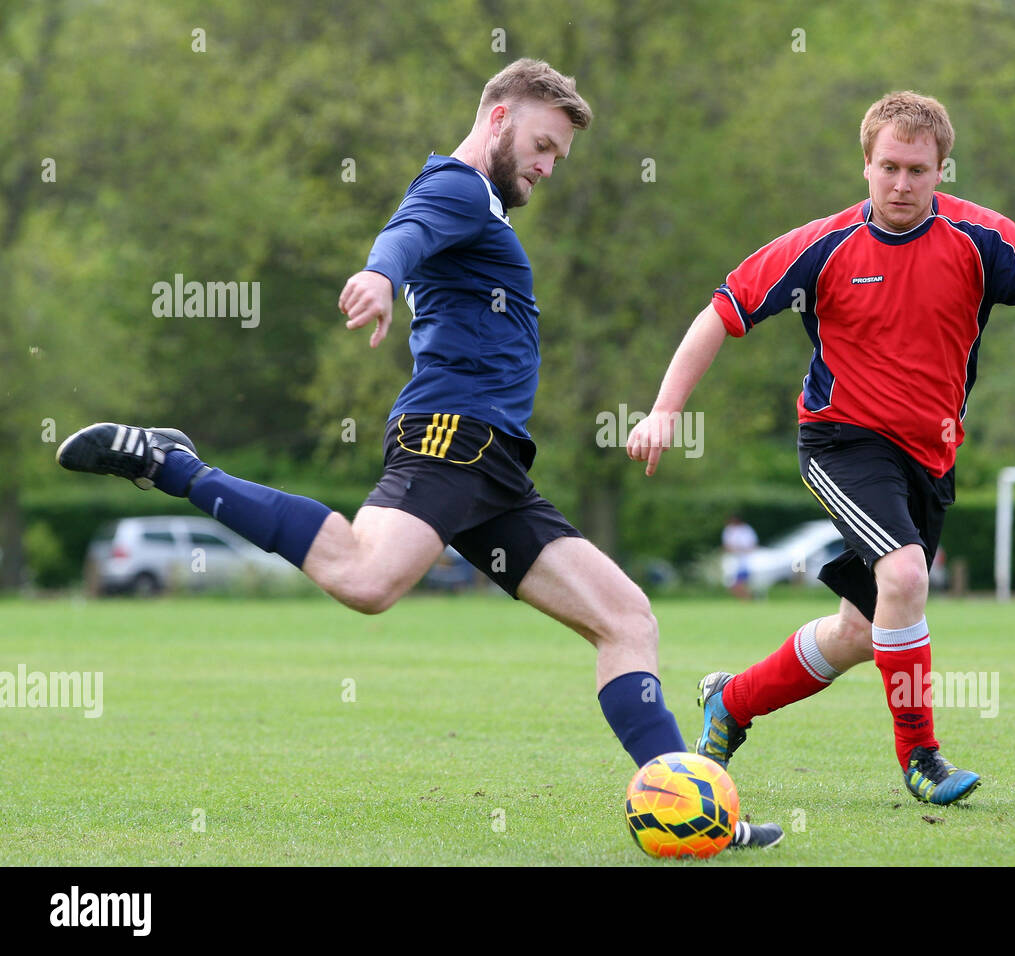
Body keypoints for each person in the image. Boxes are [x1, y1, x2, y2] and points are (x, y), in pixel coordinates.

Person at [56, 58, 782, 847]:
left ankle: (692, 807)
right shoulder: (461, 185)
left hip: (495, 466)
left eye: (558, 159)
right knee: (368, 579)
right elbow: (407, 232)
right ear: (499, 117)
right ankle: (173, 465)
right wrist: (379, 274)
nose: (546, 167)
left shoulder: (487, 209)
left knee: (627, 620)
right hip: (449, 434)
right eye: (543, 146)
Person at [626, 91, 1015, 806]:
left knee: (862, 629)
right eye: (889, 167)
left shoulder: (983, 239)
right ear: (866, 167)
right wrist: (665, 411)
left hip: (930, 458)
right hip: (841, 440)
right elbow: (721, 312)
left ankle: (731, 702)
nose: (902, 184)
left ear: (944, 169)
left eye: (918, 169)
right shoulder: (821, 245)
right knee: (906, 576)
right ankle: (923, 760)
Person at [721, 514, 758, 599]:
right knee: (730, 583)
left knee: (740, 581)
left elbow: (752, 545)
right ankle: (749, 597)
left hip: (745, 559)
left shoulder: (747, 529)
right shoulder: (728, 530)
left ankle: (747, 598)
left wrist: (742, 549)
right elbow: (726, 545)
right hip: (732, 559)